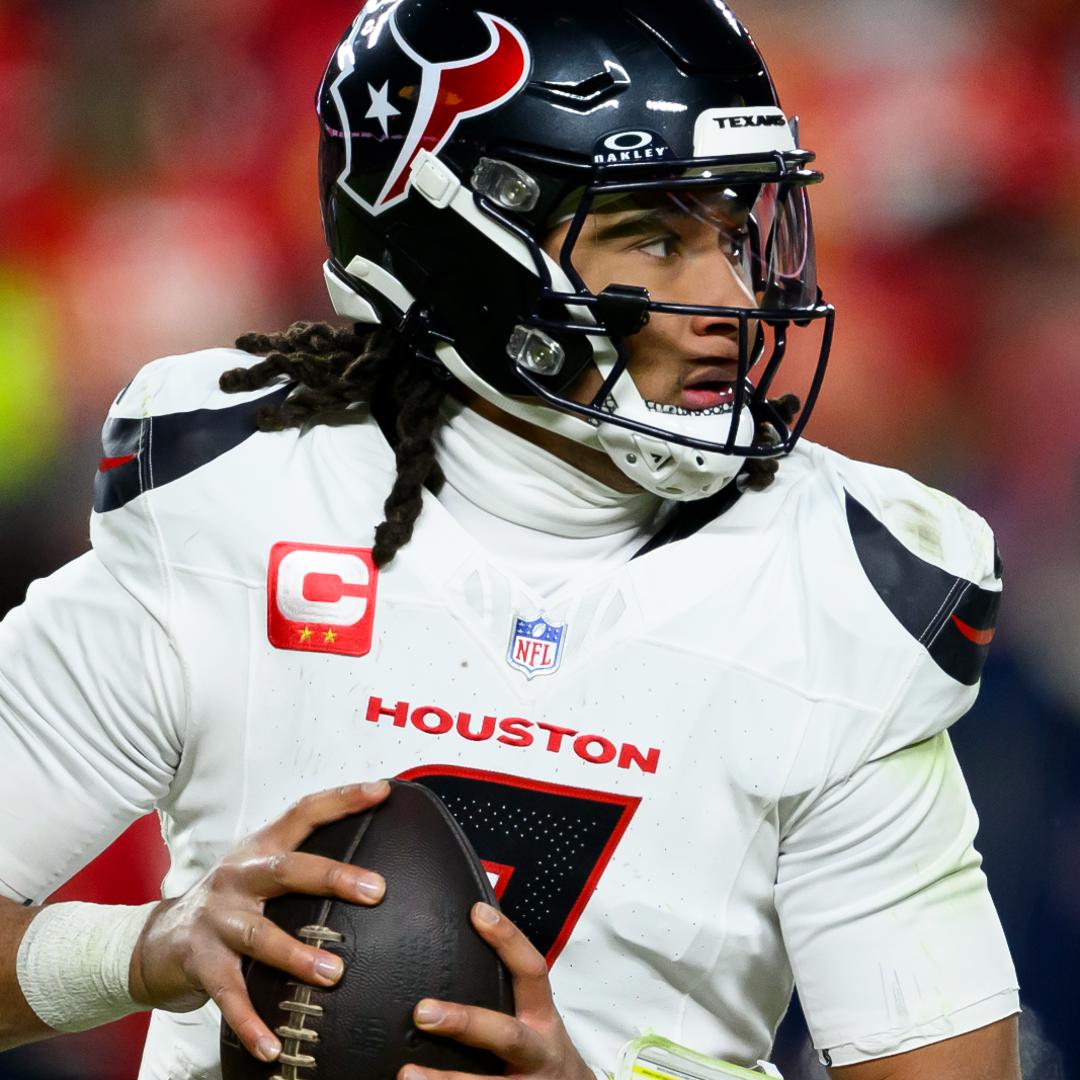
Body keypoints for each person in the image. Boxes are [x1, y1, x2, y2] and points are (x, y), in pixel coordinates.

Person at [0, 1, 1022, 1078]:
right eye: (657, 238)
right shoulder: (240, 502)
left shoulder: (839, 587)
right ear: (465, 249)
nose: (729, 299)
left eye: (733, 234)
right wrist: (142, 949)